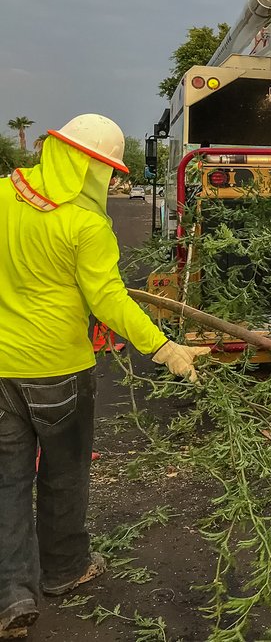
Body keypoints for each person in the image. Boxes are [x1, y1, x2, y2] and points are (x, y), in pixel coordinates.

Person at [0, 115, 210, 639]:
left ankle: (11, 595)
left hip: (2, 371)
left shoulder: (3, 194)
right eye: (107, 170)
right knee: (64, 475)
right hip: (60, 371)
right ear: (89, 165)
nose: (109, 181)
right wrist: (164, 349)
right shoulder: (86, 226)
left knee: (7, 483)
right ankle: (65, 570)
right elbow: (108, 300)